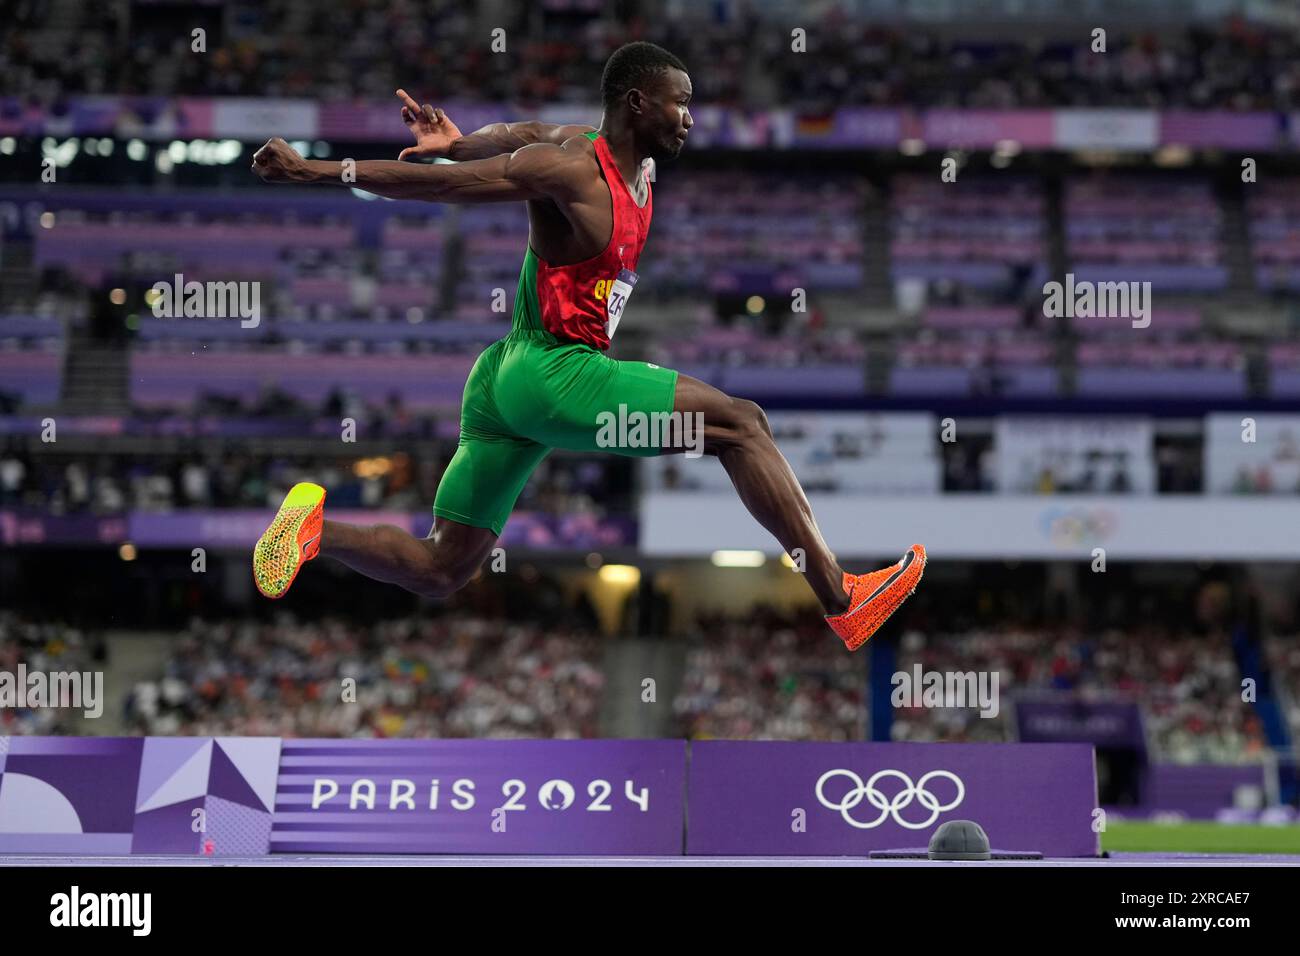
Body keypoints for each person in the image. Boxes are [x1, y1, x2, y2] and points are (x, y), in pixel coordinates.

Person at [249, 42, 923, 650]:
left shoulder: (597, 155)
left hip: (501, 385)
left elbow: (514, 135)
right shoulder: (574, 170)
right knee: (742, 425)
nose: (690, 117)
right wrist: (318, 170)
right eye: (680, 103)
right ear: (638, 102)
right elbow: (452, 188)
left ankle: (313, 533)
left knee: (440, 568)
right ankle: (841, 598)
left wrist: (458, 141)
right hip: (554, 375)